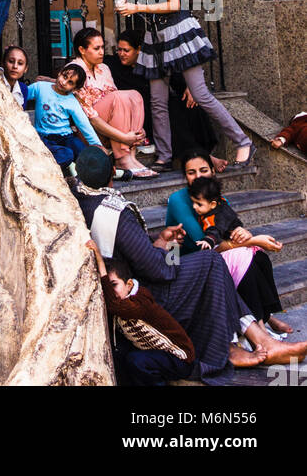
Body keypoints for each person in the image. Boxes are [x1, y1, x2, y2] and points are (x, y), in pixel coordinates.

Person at [73, 146, 264, 379]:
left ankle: (256, 335)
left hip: (122, 282)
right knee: (211, 262)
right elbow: (162, 271)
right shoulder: (116, 212)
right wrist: (172, 246)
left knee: (213, 263)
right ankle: (224, 349)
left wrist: (161, 239)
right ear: (113, 172)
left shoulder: (78, 196)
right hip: (142, 296)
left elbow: (132, 251)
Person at [68, 0, 252, 170]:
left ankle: (243, 142)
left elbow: (174, 4)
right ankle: (164, 156)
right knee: (157, 101)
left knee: (201, 94)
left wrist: (136, 7)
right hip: (155, 38)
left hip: (177, 32)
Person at [187, 177, 307, 361]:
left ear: (213, 202)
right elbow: (214, 240)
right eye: (193, 203)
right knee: (244, 258)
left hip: (226, 249)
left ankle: (265, 318)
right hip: (209, 260)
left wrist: (246, 235)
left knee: (259, 257)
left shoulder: (220, 207)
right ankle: (259, 332)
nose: (194, 207)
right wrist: (251, 240)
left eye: (198, 204)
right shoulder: (190, 209)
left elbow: (229, 228)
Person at [106, 29, 226, 170]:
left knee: (189, 106)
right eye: (119, 50)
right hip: (143, 115)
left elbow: (177, 79)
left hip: (161, 107)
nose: (121, 54)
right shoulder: (113, 65)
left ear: (138, 50)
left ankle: (204, 151)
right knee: (170, 118)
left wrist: (189, 87)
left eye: (126, 50)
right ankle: (204, 158)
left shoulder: (151, 63)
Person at [86, 239, 195, 386]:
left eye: (114, 285)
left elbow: (114, 305)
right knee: (119, 354)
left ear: (129, 284)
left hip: (179, 358)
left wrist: (99, 258)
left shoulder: (140, 301)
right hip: (154, 353)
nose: (109, 292)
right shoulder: (123, 300)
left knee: (136, 360)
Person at [68, 28, 153, 176]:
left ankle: (131, 156)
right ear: (82, 50)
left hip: (110, 132)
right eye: (96, 48)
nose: (102, 52)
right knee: (118, 97)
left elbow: (119, 106)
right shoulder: (73, 70)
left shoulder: (104, 68)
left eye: (102, 47)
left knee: (135, 95)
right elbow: (91, 119)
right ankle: (121, 159)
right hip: (87, 133)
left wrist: (136, 132)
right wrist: (124, 137)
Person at [25, 63, 102, 174]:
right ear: (60, 73)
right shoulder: (40, 87)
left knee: (82, 151)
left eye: (70, 82)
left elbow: (84, 125)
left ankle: (108, 172)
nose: (64, 82)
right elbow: (20, 96)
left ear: (74, 88)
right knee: (66, 155)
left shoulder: (72, 101)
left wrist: (97, 145)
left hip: (66, 137)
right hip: (43, 137)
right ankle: (68, 166)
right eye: (64, 76)